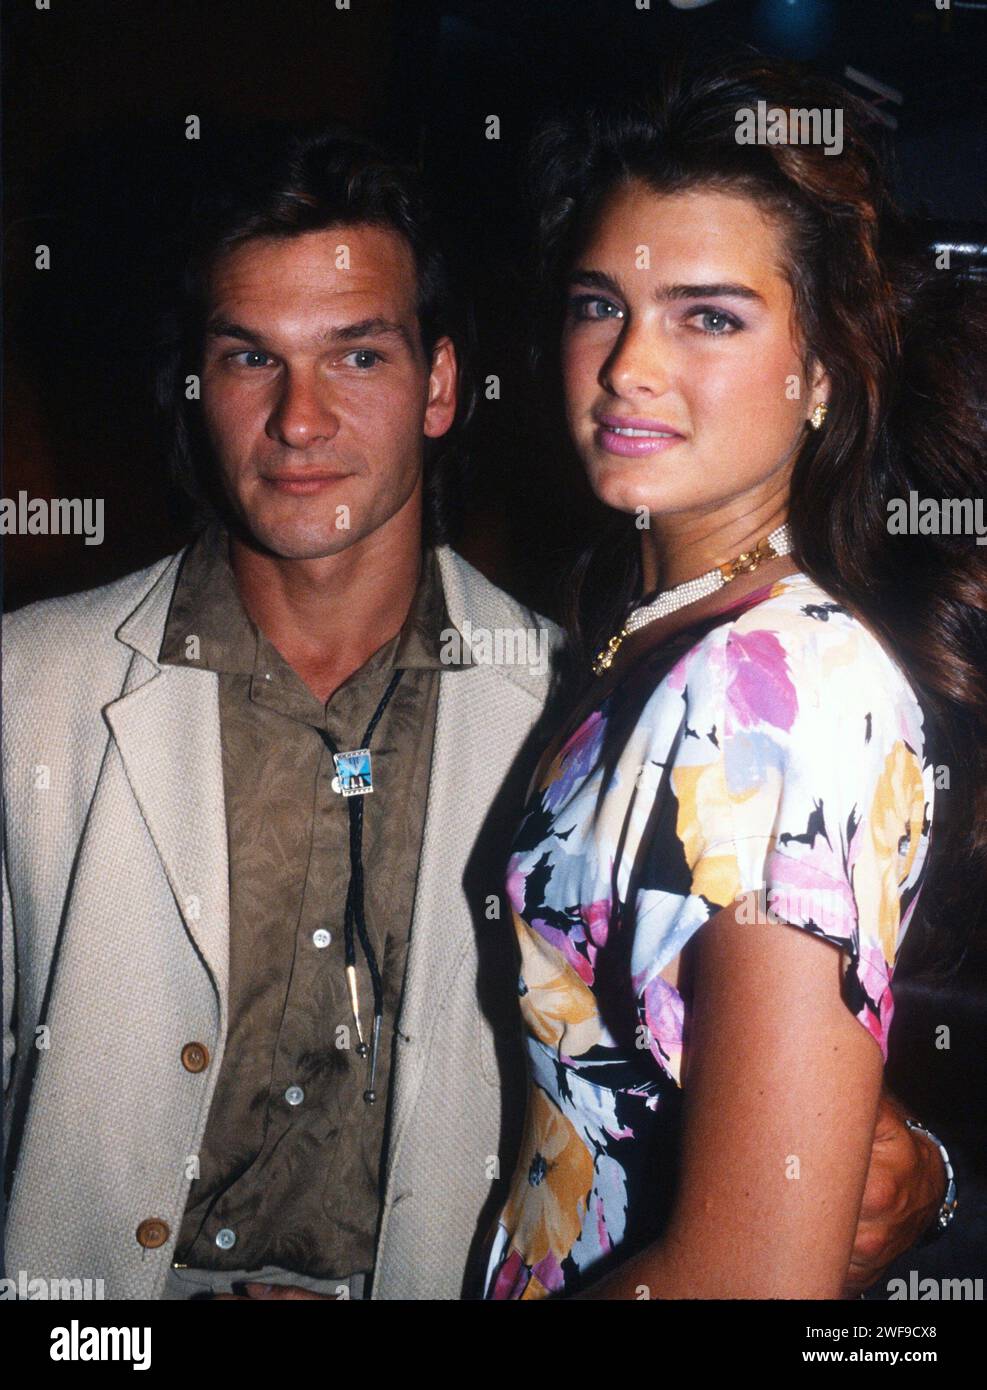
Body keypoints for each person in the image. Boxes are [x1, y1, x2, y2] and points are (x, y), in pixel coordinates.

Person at [2, 121, 946, 1303]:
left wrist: (910, 1158)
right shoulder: (26, 692)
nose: (300, 422)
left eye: (357, 356)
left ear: (442, 383)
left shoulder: (575, 695)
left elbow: (748, 1169)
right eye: (250, 359)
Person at [483, 57, 984, 1300]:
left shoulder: (782, 689)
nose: (627, 366)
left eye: (710, 315)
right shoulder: (648, 617)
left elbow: (751, 1280)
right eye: (601, 304)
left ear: (818, 374)